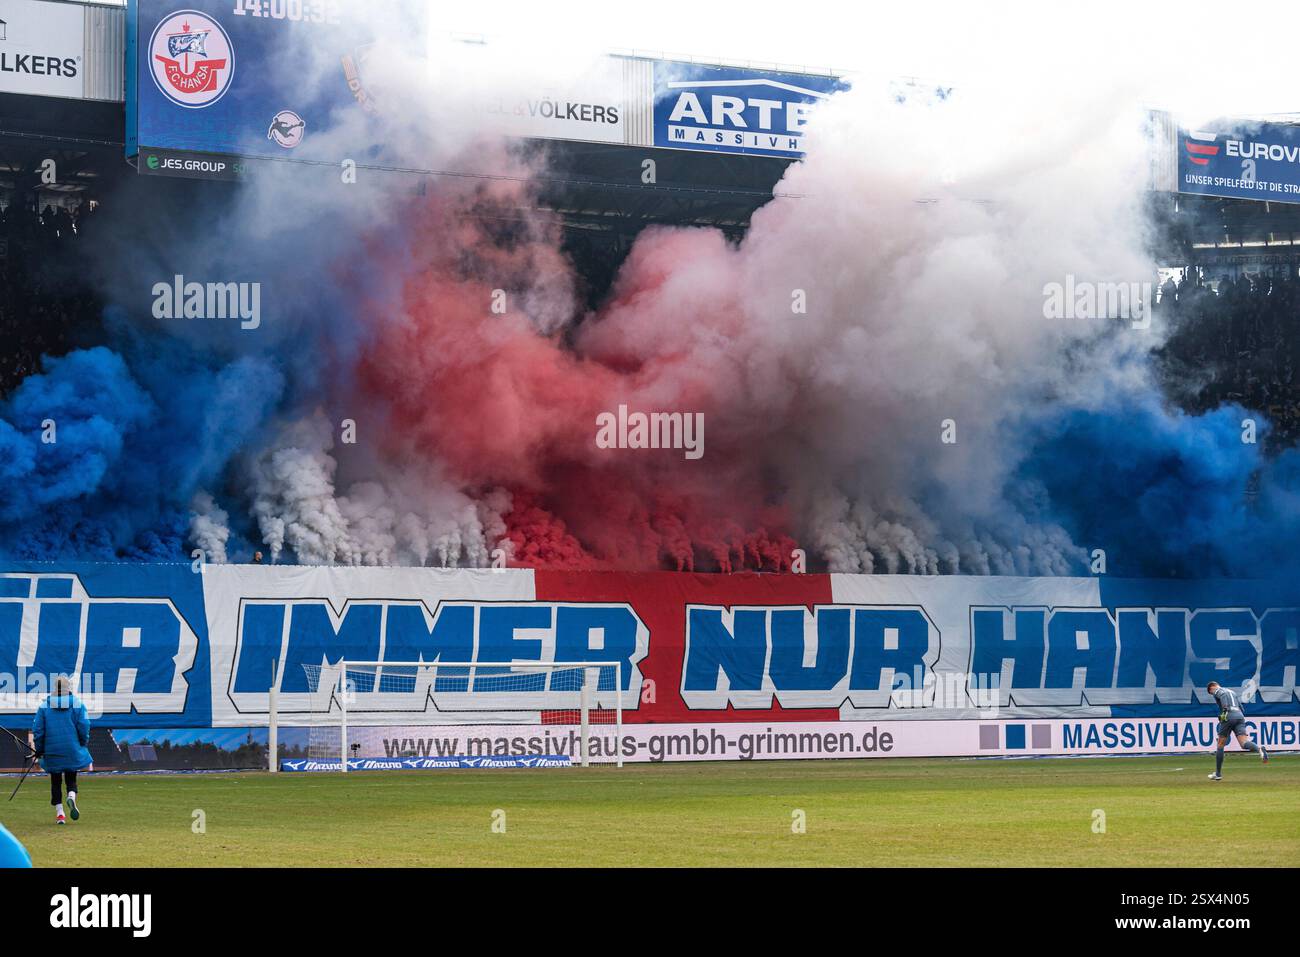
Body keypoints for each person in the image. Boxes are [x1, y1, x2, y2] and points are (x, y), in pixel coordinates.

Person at [32, 677, 92, 824]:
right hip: (72, 748)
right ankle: (71, 795)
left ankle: (60, 814)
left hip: (52, 751)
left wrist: (39, 749)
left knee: (55, 781)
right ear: (68, 688)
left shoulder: (44, 706)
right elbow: (84, 726)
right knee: (71, 778)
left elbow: (38, 730)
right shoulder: (78, 704)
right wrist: (82, 743)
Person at [1206, 681, 1268, 780]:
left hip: (1228, 716)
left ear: (1212, 687)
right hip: (1240, 716)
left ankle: (1218, 774)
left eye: (1211, 692)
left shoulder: (1218, 690)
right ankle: (1259, 750)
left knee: (1220, 744)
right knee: (1244, 743)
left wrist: (1225, 711)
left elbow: (1222, 696)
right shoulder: (1232, 692)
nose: (1212, 693)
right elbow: (1241, 707)